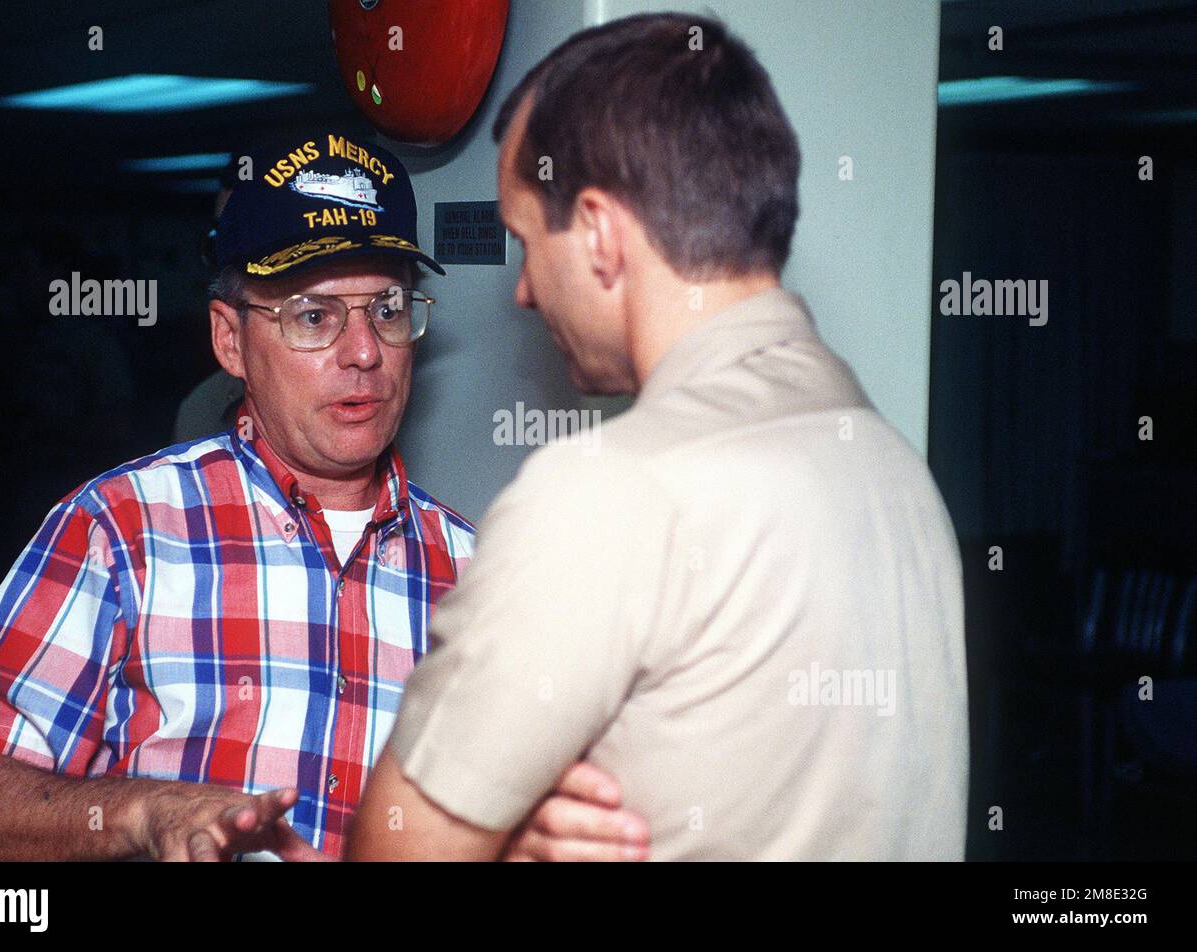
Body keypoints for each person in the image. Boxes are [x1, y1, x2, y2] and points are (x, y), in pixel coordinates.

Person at [0, 128, 649, 862]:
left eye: (388, 310)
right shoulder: (121, 529)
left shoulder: (479, 574)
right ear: (230, 341)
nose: (365, 352)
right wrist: (145, 812)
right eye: (313, 317)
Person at [348, 14, 969, 861]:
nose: (523, 291)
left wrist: (508, 844)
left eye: (526, 242)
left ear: (600, 235)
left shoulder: (608, 492)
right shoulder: (894, 468)